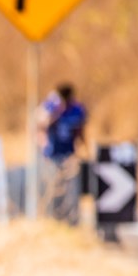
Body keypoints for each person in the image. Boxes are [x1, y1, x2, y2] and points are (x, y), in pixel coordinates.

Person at [37, 83, 88, 225]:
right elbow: (41, 126)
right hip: (51, 154)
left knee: (70, 188)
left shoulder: (76, 110)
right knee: (52, 188)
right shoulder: (50, 106)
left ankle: (71, 220)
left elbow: (80, 130)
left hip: (69, 154)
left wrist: (84, 149)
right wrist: (56, 112)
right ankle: (51, 219)